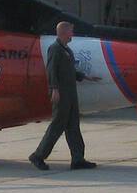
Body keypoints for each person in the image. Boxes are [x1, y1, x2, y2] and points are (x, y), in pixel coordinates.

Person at [29, 21, 97, 171]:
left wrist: (85, 77)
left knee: (73, 126)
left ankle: (78, 159)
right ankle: (38, 156)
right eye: (71, 31)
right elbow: (51, 70)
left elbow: (69, 71)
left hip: (70, 93)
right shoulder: (55, 49)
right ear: (64, 33)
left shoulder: (67, 50)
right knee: (57, 126)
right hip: (61, 93)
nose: (73, 34)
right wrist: (54, 89)